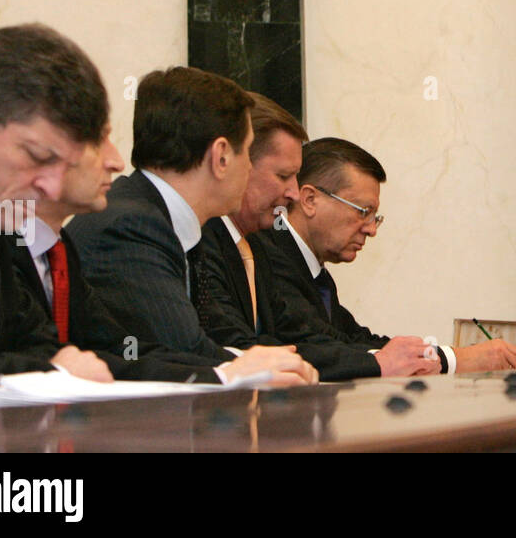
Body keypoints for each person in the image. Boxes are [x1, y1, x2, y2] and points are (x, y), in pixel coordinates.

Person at [65, 67, 316, 385]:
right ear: (221, 156)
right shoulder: (132, 225)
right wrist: (256, 365)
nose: (250, 168)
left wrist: (261, 362)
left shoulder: (168, 219)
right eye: (247, 154)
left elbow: (201, 340)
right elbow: (182, 346)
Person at [15, 118, 306, 385]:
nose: (116, 161)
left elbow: (120, 349)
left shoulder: (58, 245)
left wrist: (232, 370)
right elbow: (181, 344)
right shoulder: (130, 223)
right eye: (97, 141)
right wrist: (227, 373)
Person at [194, 94, 438, 378]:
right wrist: (380, 363)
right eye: (283, 176)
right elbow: (236, 345)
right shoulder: (207, 237)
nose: (293, 193)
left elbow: (327, 339)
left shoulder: (252, 245)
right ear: (229, 163)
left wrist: (423, 358)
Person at [0, 24, 115, 401]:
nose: (51, 187)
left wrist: (54, 365)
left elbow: (34, 339)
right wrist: (51, 374)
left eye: (64, 167)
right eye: (37, 156)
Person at [257, 137, 516, 373]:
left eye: (375, 217)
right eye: (363, 211)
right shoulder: (270, 257)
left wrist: (442, 356)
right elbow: (321, 347)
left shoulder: (314, 272)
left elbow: (356, 340)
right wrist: (453, 359)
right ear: (310, 200)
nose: (371, 229)